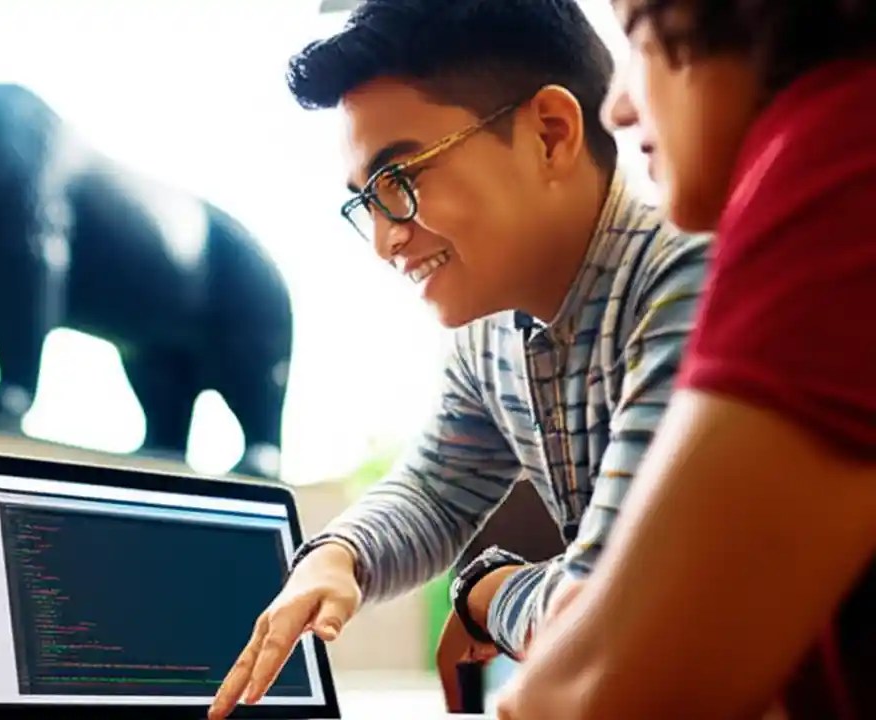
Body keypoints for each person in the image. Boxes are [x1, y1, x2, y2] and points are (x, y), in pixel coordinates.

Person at [207, 1, 709, 717]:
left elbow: (604, 616)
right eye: (365, 206)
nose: (385, 241)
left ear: (550, 134)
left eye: (398, 182)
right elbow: (437, 486)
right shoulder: (491, 333)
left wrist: (485, 592)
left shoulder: (686, 282)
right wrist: (339, 554)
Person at [495, 1, 876, 719]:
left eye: (639, 36)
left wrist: (499, 601)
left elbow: (593, 695)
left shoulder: (844, 147)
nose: (618, 106)